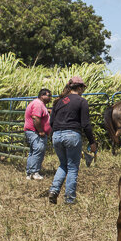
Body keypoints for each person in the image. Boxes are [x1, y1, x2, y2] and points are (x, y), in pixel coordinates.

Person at [48, 76, 97, 205]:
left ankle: (54, 191)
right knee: (73, 167)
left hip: (56, 135)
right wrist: (92, 142)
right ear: (79, 88)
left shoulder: (58, 101)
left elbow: (51, 122)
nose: (83, 91)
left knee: (63, 165)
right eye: (82, 88)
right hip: (72, 135)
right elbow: (86, 124)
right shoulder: (81, 101)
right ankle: (69, 199)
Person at [24, 88, 52, 180]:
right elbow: (36, 117)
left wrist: (47, 111)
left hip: (32, 132)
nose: (50, 98)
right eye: (49, 96)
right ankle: (34, 172)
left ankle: (29, 173)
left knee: (33, 152)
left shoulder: (39, 104)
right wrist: (40, 131)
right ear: (42, 96)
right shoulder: (38, 104)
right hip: (35, 132)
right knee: (38, 150)